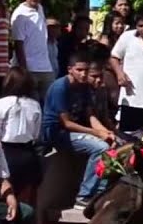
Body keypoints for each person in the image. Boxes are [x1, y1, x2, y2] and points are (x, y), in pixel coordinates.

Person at [43, 50, 119, 209]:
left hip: (75, 132)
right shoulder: (60, 87)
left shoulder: (84, 87)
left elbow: (90, 115)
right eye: (79, 70)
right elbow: (66, 123)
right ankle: (84, 196)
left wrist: (105, 132)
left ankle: (100, 191)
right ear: (70, 69)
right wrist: (96, 133)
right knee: (101, 148)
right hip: (57, 133)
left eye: (85, 70)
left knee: (113, 145)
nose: (83, 74)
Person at [0, 67, 44, 210]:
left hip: (6, 152)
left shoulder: (2, 103)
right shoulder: (35, 104)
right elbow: (36, 133)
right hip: (28, 153)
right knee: (25, 200)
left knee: (5, 196)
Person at [11, 0, 55, 102]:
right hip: (30, 69)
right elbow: (18, 44)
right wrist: (24, 71)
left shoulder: (40, 8)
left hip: (45, 68)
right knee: (31, 104)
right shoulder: (20, 15)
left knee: (49, 105)